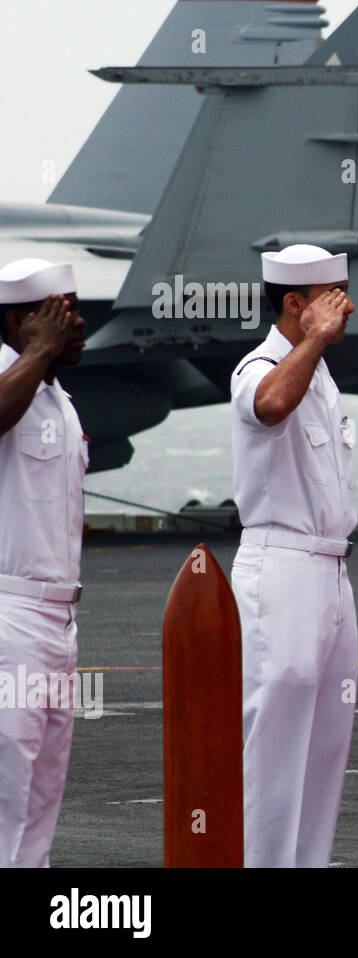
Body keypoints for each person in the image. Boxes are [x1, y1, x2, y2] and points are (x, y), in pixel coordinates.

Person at [229, 244, 358, 867]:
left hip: (332, 569)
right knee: (275, 749)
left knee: (326, 749)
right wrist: (315, 340)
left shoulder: (321, 374)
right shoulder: (259, 366)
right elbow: (270, 406)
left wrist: (317, 345)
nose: (347, 307)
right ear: (295, 305)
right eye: (333, 297)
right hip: (281, 568)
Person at [0, 258, 87, 868]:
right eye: (61, 313)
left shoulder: (59, 398)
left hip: (57, 620)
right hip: (8, 614)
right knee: (7, 784)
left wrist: (42, 357)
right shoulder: (11, 377)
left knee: (41, 790)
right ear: (23, 321)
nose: (77, 325)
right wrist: (36, 352)